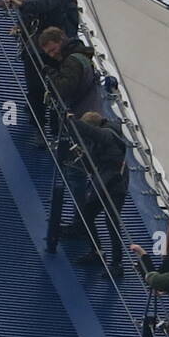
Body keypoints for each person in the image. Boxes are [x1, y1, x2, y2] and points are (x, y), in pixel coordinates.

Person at [1, 0, 70, 133]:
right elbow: (30, 9)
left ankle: (55, 128)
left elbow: (41, 5)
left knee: (54, 88)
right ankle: (37, 126)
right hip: (32, 47)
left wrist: (20, 4)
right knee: (34, 88)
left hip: (52, 47)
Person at [60, 110, 129, 273]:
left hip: (116, 185)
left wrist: (73, 122)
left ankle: (117, 263)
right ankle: (97, 252)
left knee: (111, 222)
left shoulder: (108, 134)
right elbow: (93, 165)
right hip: (104, 182)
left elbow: (92, 133)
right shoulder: (99, 141)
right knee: (87, 214)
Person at [37, 27, 102, 117]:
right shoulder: (81, 57)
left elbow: (64, 89)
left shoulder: (72, 61)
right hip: (91, 111)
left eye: (53, 49)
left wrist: (51, 74)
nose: (52, 55)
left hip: (83, 115)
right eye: (48, 53)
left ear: (61, 41)